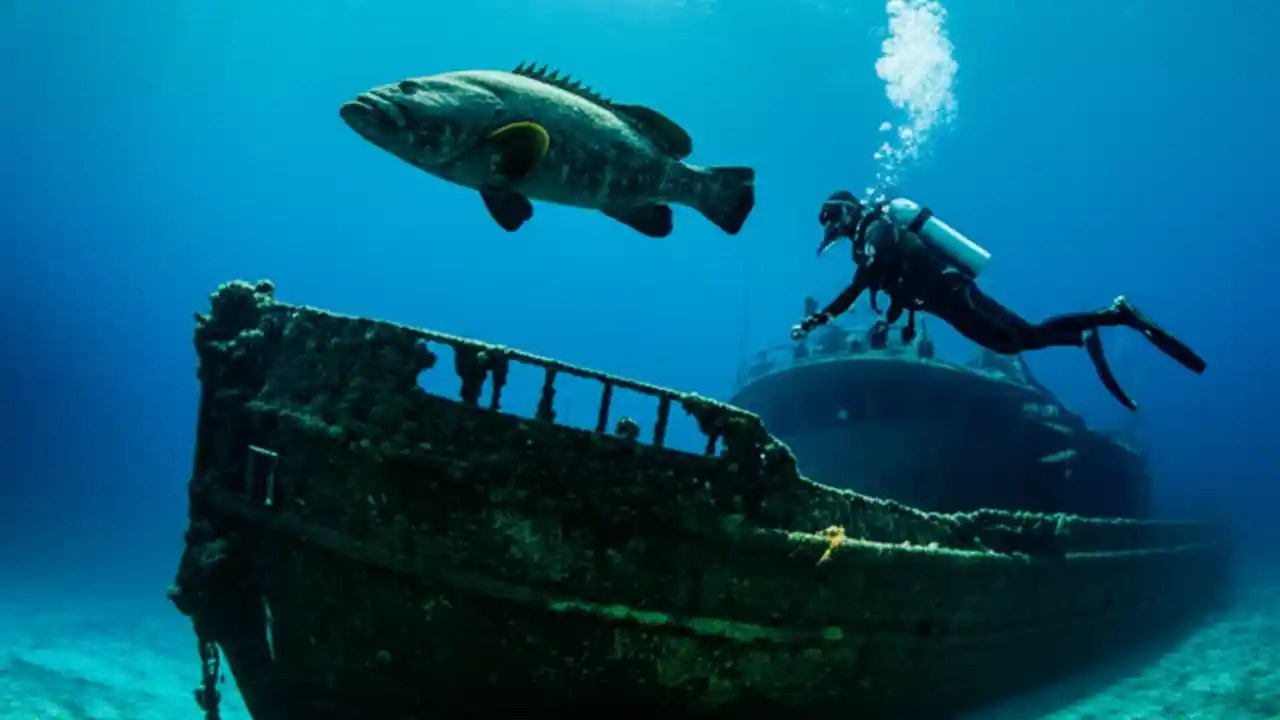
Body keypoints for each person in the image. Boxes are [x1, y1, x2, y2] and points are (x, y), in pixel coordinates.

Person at [789, 190, 1207, 410]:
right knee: (1015, 339)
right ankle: (1087, 333)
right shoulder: (869, 238)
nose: (833, 227)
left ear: (846, 210)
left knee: (1013, 338)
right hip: (945, 296)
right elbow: (887, 282)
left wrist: (817, 319)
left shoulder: (876, 230)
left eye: (833, 217)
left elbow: (861, 283)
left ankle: (1112, 316)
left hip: (949, 292)